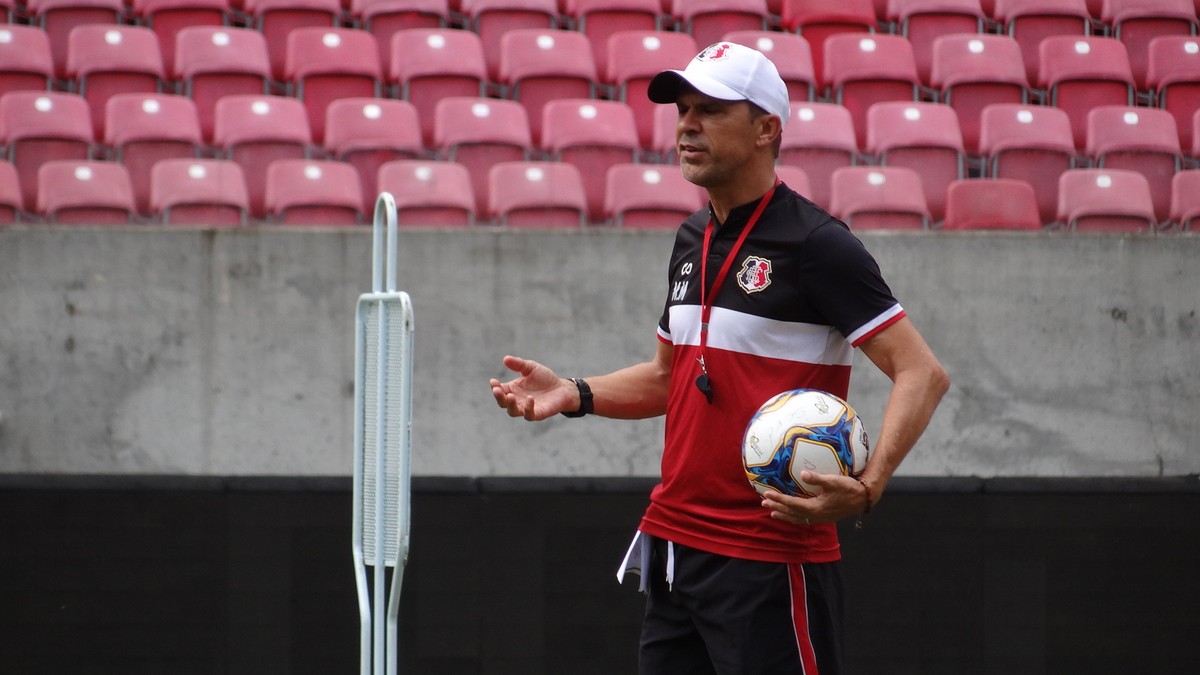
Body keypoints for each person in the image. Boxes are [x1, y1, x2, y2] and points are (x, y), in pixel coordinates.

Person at [490, 41, 950, 675]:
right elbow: (667, 376)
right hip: (676, 547)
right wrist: (575, 392)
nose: (686, 125)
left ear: (767, 129)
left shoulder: (819, 245)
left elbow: (922, 372)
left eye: (709, 109)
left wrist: (868, 490)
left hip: (770, 557)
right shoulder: (690, 238)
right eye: (682, 109)